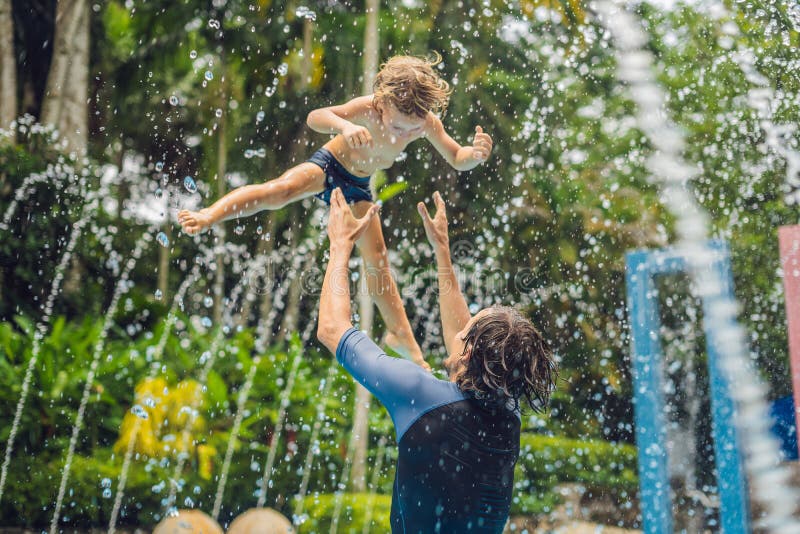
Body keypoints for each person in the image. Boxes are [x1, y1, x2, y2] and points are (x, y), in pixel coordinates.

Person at [178, 54, 493, 368]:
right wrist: (343, 126)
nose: (404, 135)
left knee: (378, 258)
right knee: (280, 190)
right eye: (398, 126)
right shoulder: (366, 109)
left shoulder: (424, 122)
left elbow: (456, 156)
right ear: (382, 104)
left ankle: (403, 339)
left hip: (359, 187)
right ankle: (211, 214)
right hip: (329, 166)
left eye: (411, 131)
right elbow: (316, 117)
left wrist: (475, 155)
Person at [317, 189, 557, 533]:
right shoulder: (509, 412)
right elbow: (465, 342)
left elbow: (331, 328)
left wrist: (340, 247)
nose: (461, 328)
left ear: (470, 352)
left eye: (470, 326)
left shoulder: (419, 394)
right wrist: (442, 251)